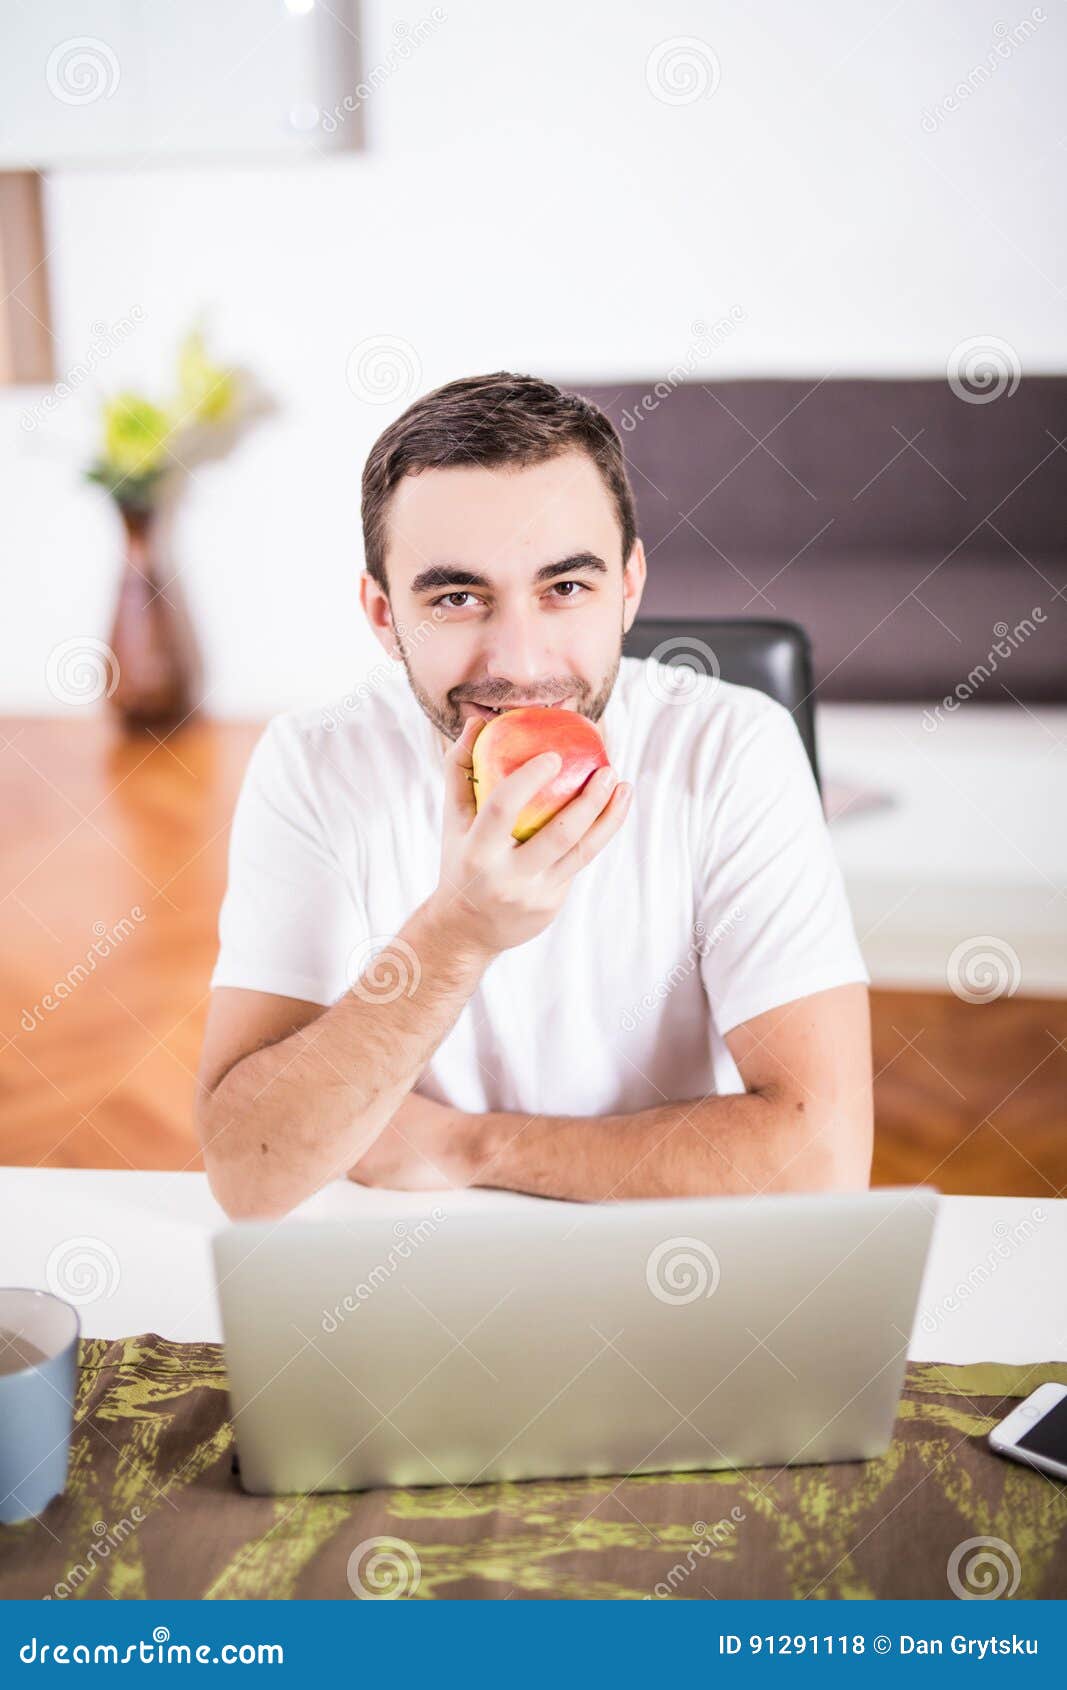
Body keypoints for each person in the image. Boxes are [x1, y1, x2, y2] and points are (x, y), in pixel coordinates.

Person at [196, 371, 872, 1219]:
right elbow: (249, 1174)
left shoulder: (733, 749)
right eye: (456, 598)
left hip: (666, 1250)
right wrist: (455, 936)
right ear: (383, 616)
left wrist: (468, 1148)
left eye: (566, 588)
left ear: (627, 586)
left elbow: (821, 1157)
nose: (519, 663)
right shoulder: (314, 764)